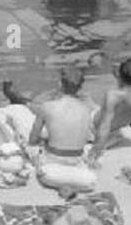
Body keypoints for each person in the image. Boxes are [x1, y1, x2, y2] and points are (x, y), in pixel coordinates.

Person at [29, 65, 100, 195]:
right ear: (80, 87)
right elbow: (93, 139)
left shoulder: (47, 106)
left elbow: (32, 140)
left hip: (50, 172)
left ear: (60, 84)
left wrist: (43, 140)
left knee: (27, 140)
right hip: (84, 178)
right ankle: (70, 185)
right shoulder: (87, 109)